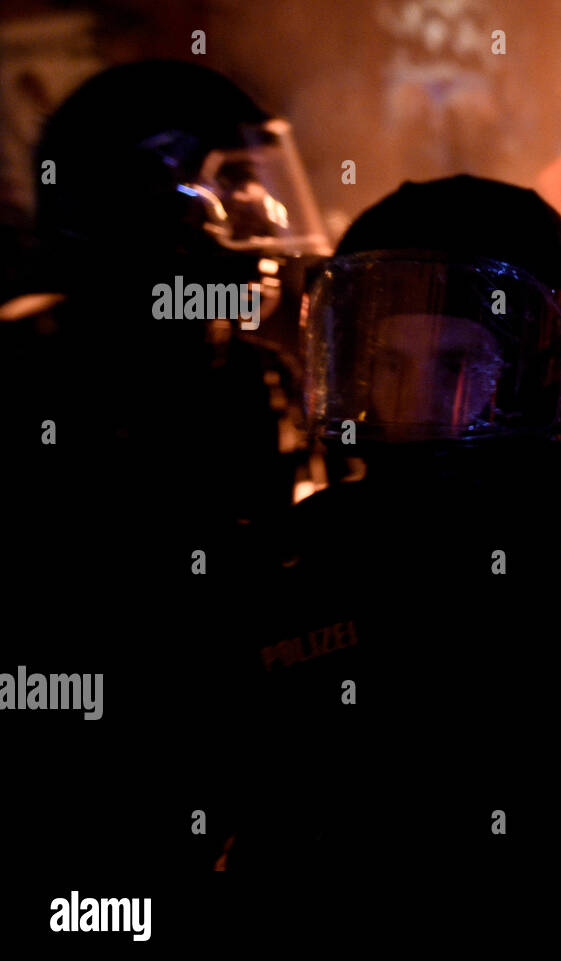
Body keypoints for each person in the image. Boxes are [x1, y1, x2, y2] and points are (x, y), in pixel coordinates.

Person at [219, 176, 561, 869]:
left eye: (458, 364)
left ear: (542, 371)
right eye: (388, 364)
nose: (417, 396)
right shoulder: (291, 565)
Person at [0, 60, 330, 873]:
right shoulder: (33, 385)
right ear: (139, 202)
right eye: (233, 188)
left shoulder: (256, 375)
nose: (267, 216)